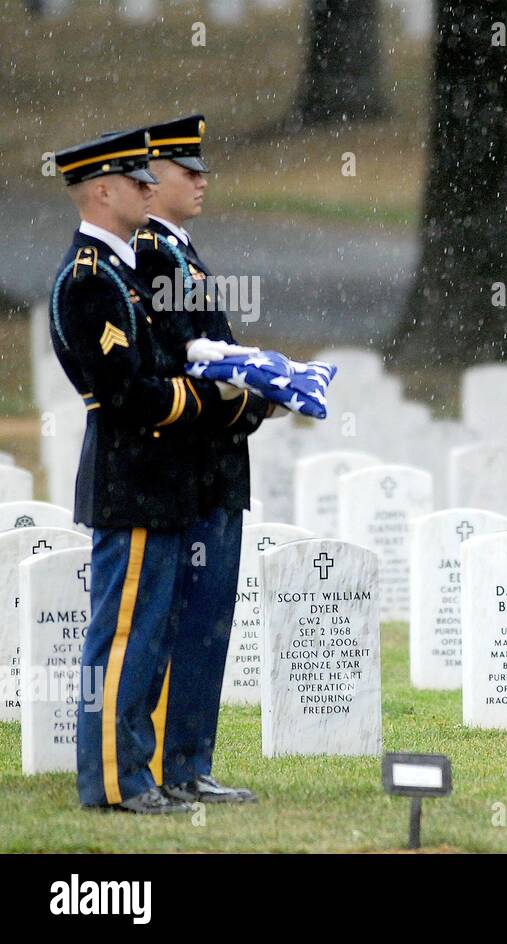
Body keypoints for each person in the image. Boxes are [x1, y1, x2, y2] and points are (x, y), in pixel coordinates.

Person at [50, 128, 262, 813]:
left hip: (158, 481)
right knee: (123, 641)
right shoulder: (89, 280)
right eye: (137, 181)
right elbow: (127, 394)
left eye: (152, 179)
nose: (151, 189)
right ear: (103, 191)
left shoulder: (126, 274)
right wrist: (216, 397)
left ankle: (142, 775)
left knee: (151, 636)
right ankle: (115, 782)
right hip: (131, 480)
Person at [132, 114, 276, 804]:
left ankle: (191, 762)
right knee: (186, 619)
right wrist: (257, 401)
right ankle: (170, 766)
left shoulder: (182, 254)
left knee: (209, 619)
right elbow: (186, 363)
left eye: (202, 169)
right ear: (149, 181)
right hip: (191, 465)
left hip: (217, 466)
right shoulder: (155, 257)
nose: (202, 180)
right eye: (187, 171)